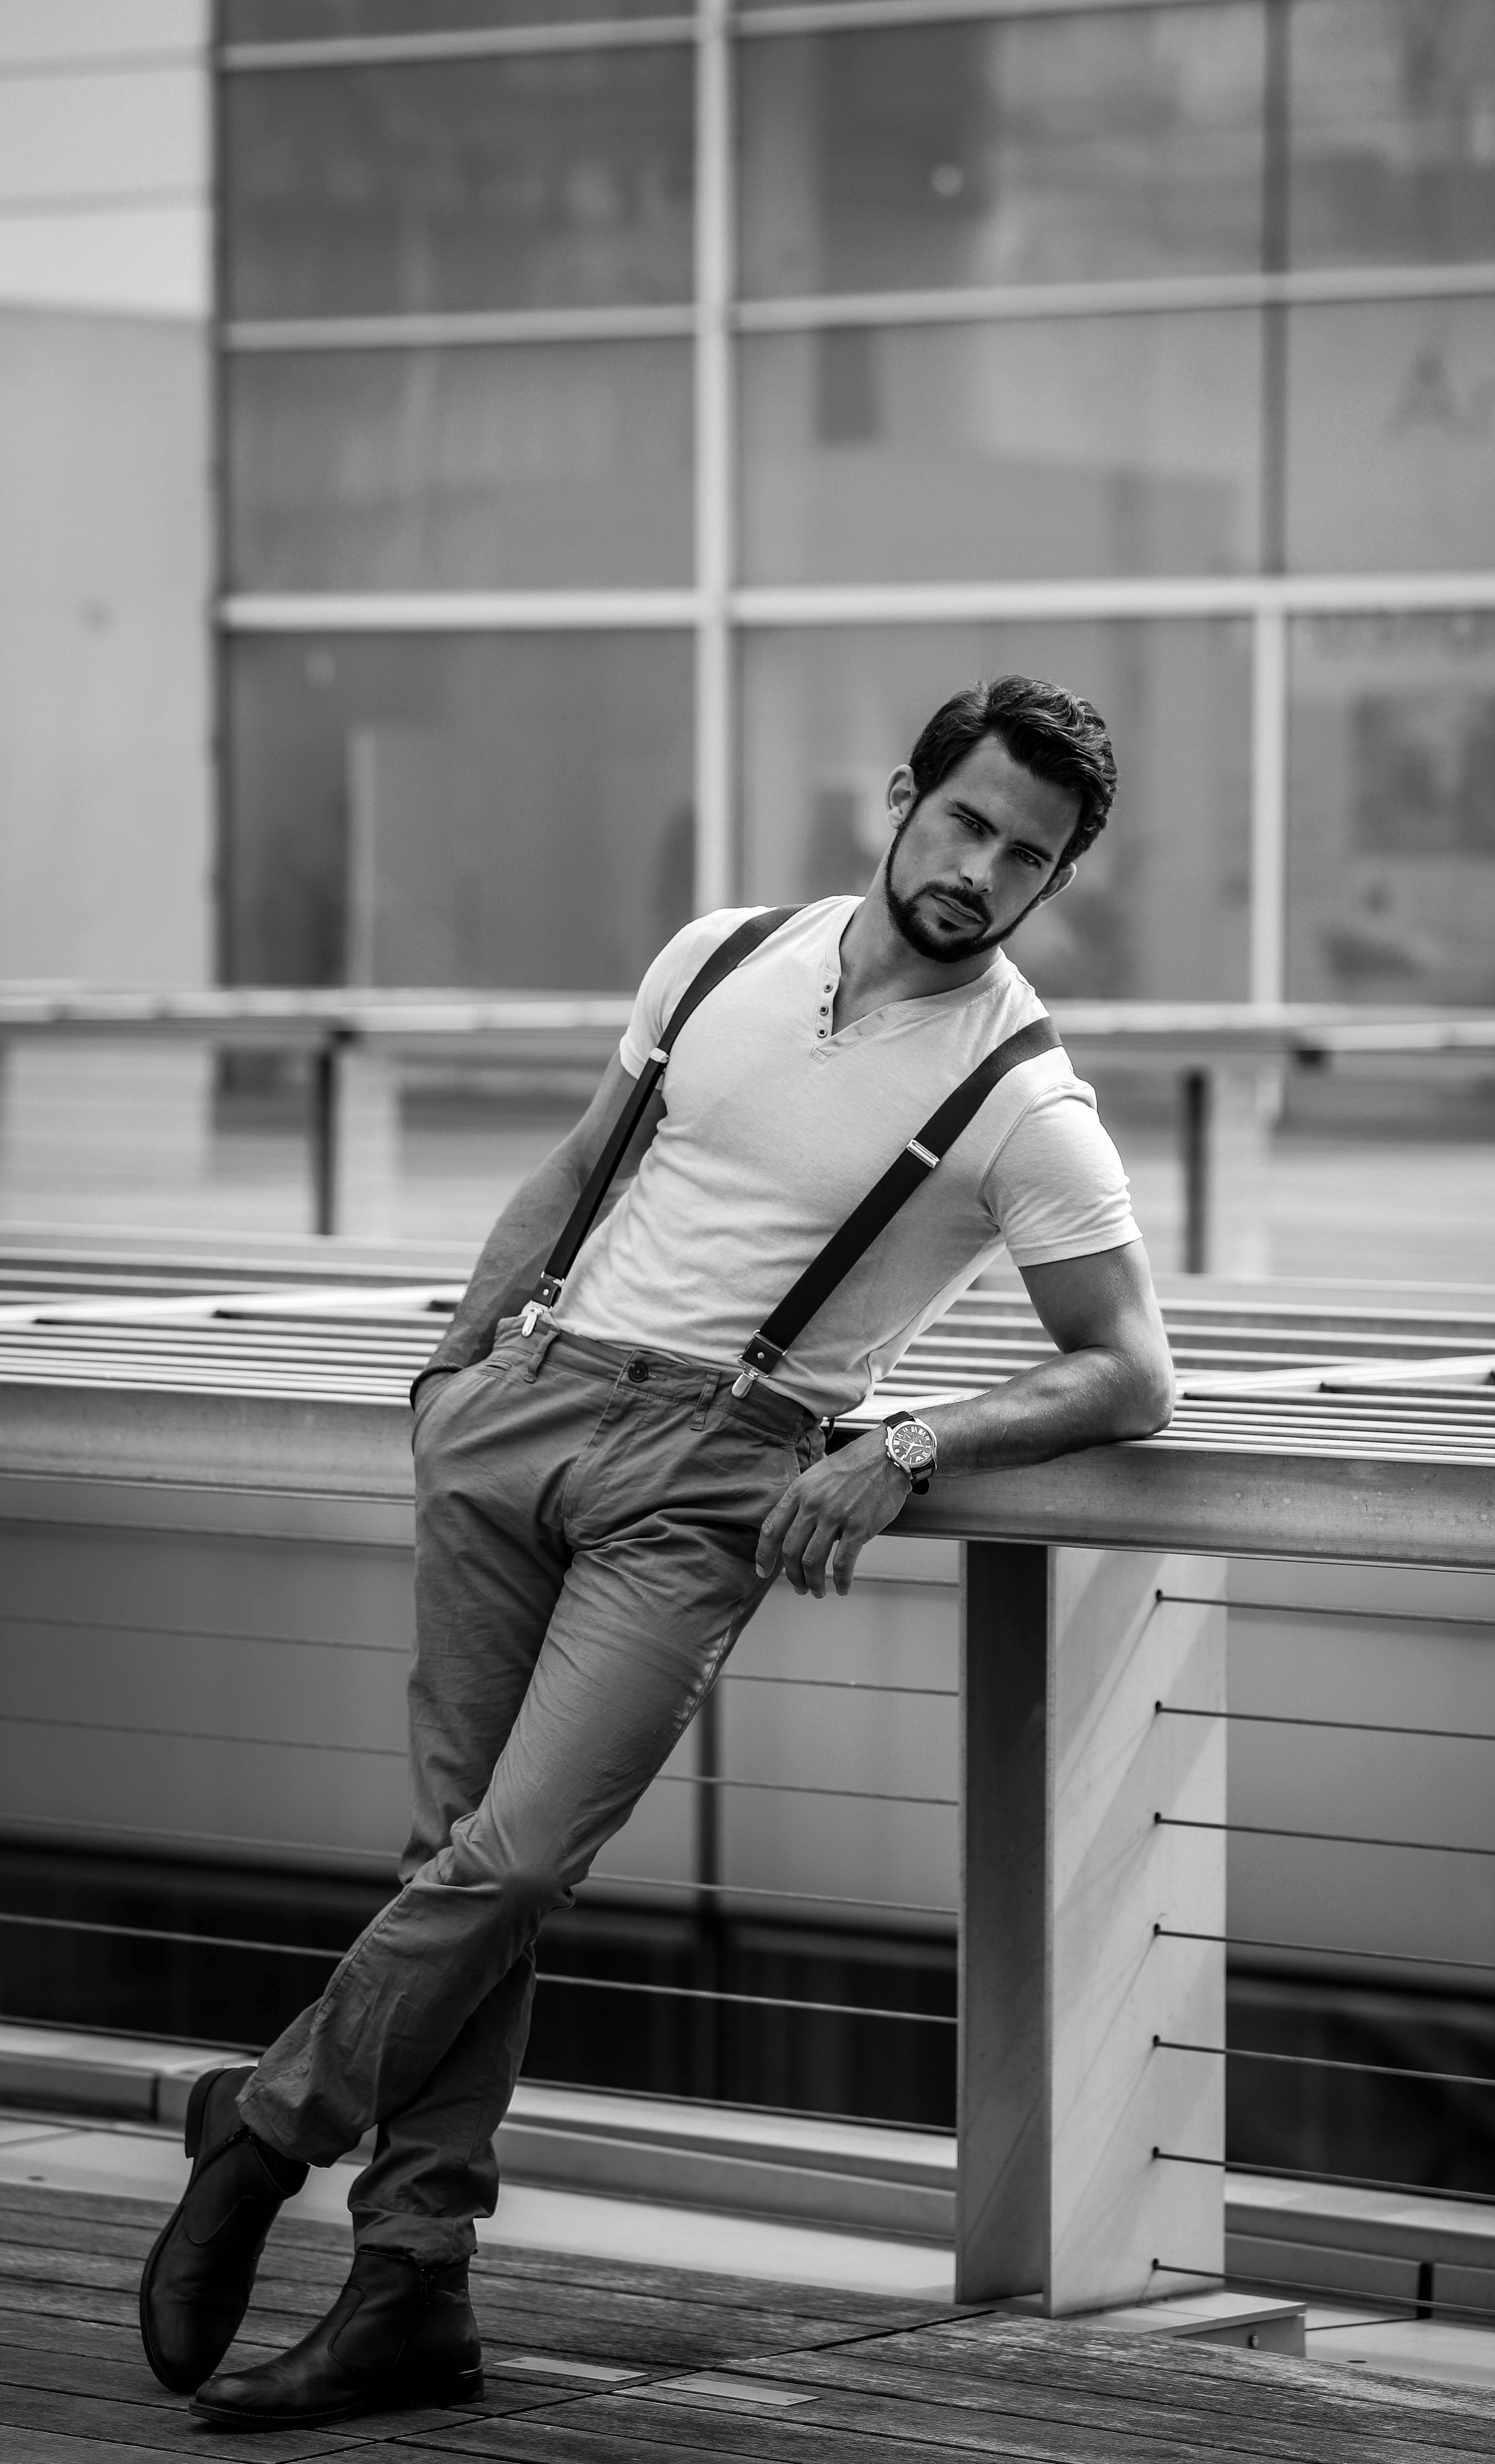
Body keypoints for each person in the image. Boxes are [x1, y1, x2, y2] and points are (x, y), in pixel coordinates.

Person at [139, 674, 1174, 2428]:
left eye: (1026, 858)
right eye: (965, 823)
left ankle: (261, 2126)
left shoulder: (1023, 1100)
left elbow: (1128, 1371)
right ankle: (411, 2292)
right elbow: (577, 1172)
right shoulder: (718, 955)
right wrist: (448, 1378)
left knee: (516, 1862)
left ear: (1052, 884)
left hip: (713, 1474)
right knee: (455, 1858)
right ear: (901, 794)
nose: (981, 872)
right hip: (518, 1412)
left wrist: (908, 1444)